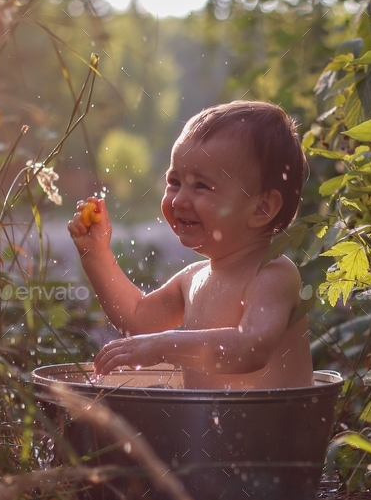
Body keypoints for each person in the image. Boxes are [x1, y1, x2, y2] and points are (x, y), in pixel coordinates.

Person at [68, 100, 314, 389]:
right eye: (174, 182)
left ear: (261, 208)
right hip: (206, 429)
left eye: (201, 186)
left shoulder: (273, 275)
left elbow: (250, 347)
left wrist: (164, 345)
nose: (179, 200)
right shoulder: (193, 278)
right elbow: (136, 318)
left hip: (277, 430)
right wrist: (96, 255)